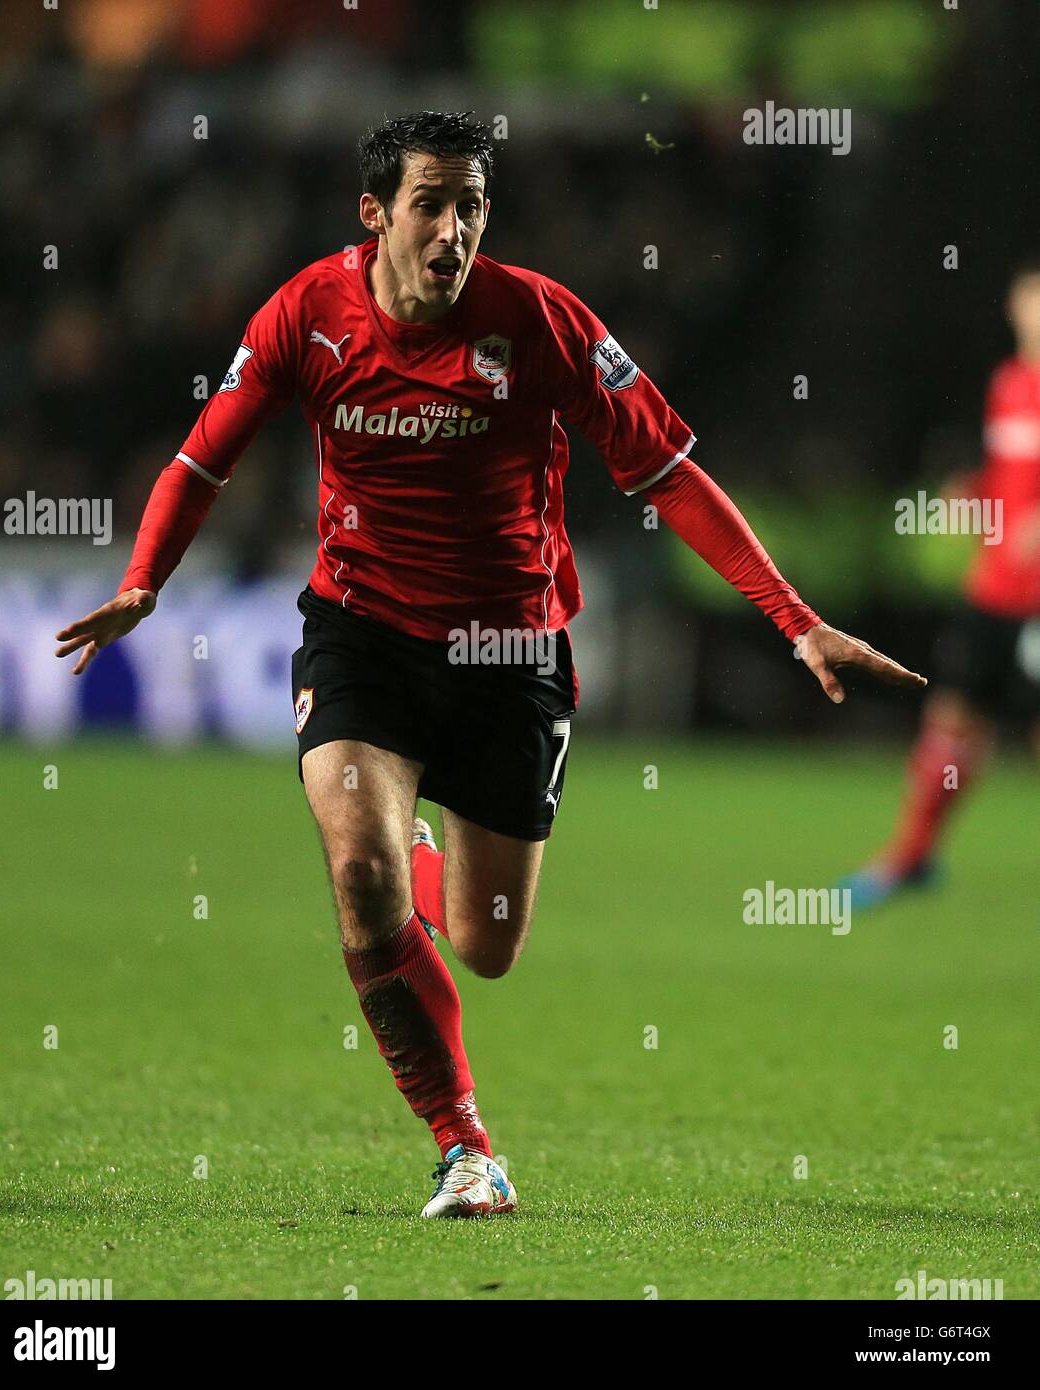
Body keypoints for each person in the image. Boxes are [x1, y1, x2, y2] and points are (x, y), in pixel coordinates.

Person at [55, 111, 925, 1217]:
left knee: (487, 946)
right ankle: (465, 1146)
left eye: (471, 204)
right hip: (359, 632)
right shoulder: (305, 314)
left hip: (511, 651)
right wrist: (146, 578)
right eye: (431, 203)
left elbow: (665, 472)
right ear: (373, 214)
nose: (454, 228)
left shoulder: (542, 320)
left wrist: (792, 619)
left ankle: (415, 847)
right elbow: (202, 458)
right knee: (359, 873)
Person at [842, 261, 1040, 908]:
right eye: (1032, 298)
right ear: (1014, 307)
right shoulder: (1009, 383)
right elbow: (1007, 477)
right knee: (953, 719)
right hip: (994, 590)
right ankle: (913, 854)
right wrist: (974, 494)